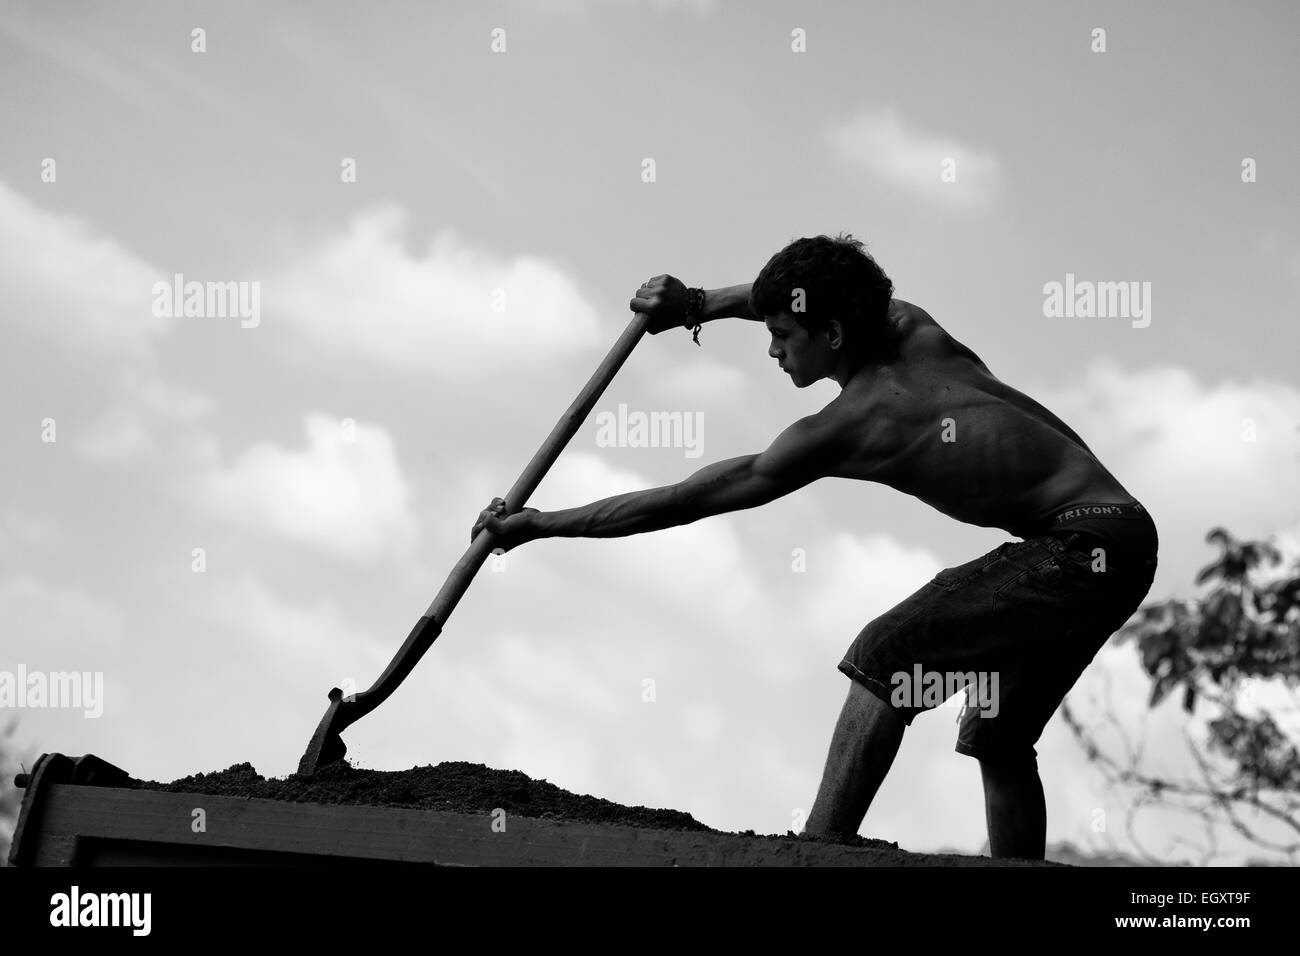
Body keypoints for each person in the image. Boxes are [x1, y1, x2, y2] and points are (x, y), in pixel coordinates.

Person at [470, 233, 1158, 860]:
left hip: (1083, 545)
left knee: (888, 653)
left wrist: (543, 524)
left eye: (781, 337)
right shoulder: (907, 324)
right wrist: (696, 304)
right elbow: (792, 296)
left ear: (831, 333)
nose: (771, 350)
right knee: (999, 731)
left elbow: (689, 500)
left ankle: (819, 851)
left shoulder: (857, 425)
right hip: (1116, 538)